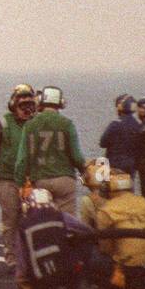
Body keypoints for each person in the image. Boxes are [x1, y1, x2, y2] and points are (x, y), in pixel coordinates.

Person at [0, 83, 37, 272]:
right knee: (11, 220)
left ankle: (29, 258)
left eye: (31, 106)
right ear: (13, 105)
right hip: (7, 182)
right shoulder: (1, 125)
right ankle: (12, 260)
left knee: (31, 221)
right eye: (23, 106)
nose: (27, 110)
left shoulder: (36, 125)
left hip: (31, 182)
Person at [13, 85, 86, 215]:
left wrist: (20, 184)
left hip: (40, 181)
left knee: (43, 220)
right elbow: (77, 157)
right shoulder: (67, 124)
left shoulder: (30, 125)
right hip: (65, 181)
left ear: (41, 101)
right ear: (60, 103)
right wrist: (84, 172)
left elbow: (22, 160)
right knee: (67, 222)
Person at [100, 95, 143, 177]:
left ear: (120, 107)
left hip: (114, 165)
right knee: (129, 186)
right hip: (131, 166)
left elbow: (102, 143)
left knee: (107, 187)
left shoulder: (115, 124)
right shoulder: (138, 125)